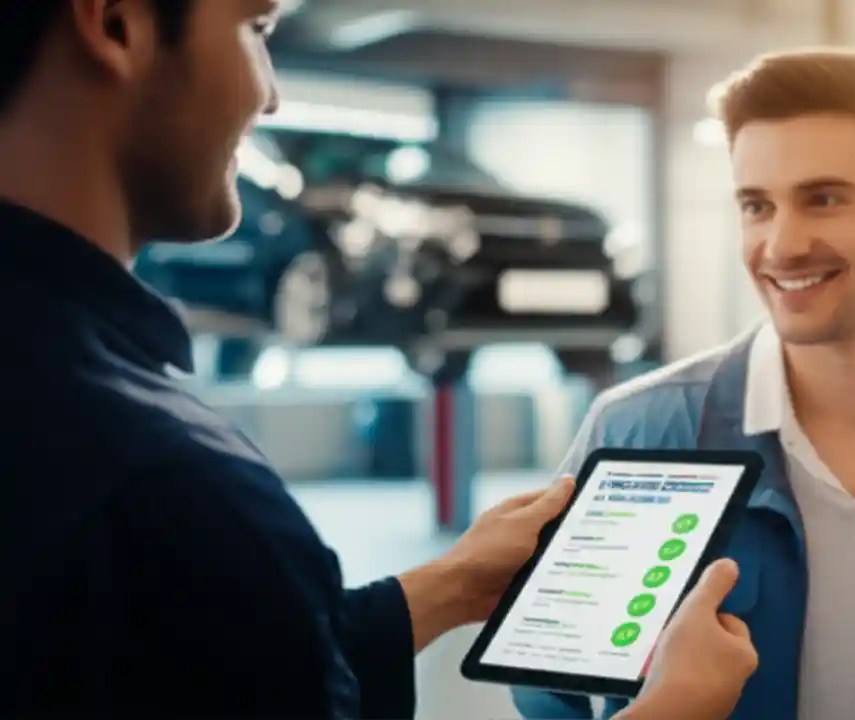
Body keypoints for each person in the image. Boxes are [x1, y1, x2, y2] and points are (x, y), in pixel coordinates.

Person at [0, 1, 756, 717]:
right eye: (255, 27)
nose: (268, 97)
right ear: (117, 22)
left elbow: (193, 667)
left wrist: (452, 585)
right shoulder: (167, 492)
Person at [514, 49, 855, 720]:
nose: (782, 243)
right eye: (756, 206)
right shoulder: (641, 433)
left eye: (822, 199)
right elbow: (548, 695)